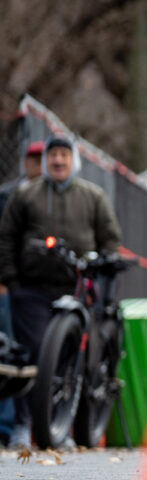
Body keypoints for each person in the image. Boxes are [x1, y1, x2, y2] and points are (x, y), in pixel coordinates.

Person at [0, 136, 122, 449]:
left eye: (64, 155)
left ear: (73, 161)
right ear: (45, 161)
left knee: (68, 358)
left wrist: (102, 266)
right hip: (31, 291)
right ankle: (24, 426)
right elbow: (7, 238)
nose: (58, 160)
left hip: (77, 291)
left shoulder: (92, 197)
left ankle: (59, 426)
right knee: (36, 354)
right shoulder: (26, 196)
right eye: (53, 155)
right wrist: (12, 282)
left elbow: (109, 238)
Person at [0, 141, 42, 444]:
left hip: (34, 289)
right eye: (35, 159)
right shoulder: (9, 195)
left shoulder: (55, 196)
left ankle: (15, 425)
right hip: (11, 287)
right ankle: (8, 426)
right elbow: (5, 240)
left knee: (22, 357)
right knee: (9, 357)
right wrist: (7, 280)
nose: (39, 165)